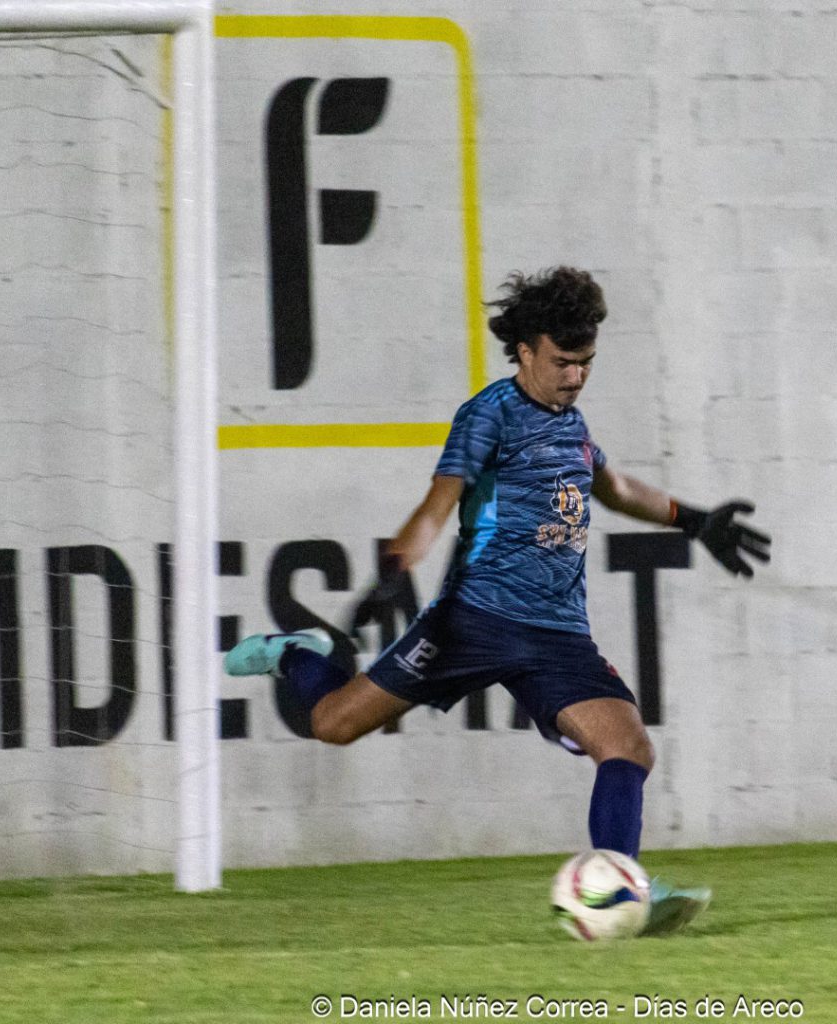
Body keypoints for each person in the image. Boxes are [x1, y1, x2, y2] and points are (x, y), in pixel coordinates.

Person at [226, 266, 770, 935]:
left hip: (558, 634)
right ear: (528, 349)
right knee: (333, 724)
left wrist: (694, 518)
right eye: (565, 362)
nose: (575, 377)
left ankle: (619, 886)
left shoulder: (573, 426)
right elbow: (435, 510)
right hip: (474, 621)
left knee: (627, 748)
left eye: (587, 364)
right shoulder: (488, 416)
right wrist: (395, 571)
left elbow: (617, 488)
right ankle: (297, 653)